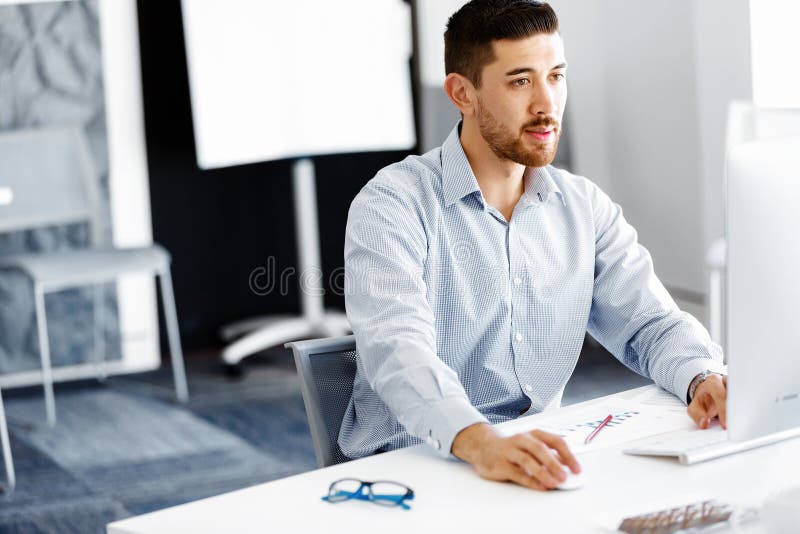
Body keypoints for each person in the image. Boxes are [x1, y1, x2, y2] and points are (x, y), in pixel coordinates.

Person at [340, 0, 727, 491]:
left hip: (530, 464)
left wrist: (703, 378)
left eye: (556, 76)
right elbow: (397, 348)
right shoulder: (394, 203)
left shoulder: (582, 207)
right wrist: (481, 442)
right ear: (463, 93)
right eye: (520, 81)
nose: (547, 104)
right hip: (409, 471)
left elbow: (650, 324)